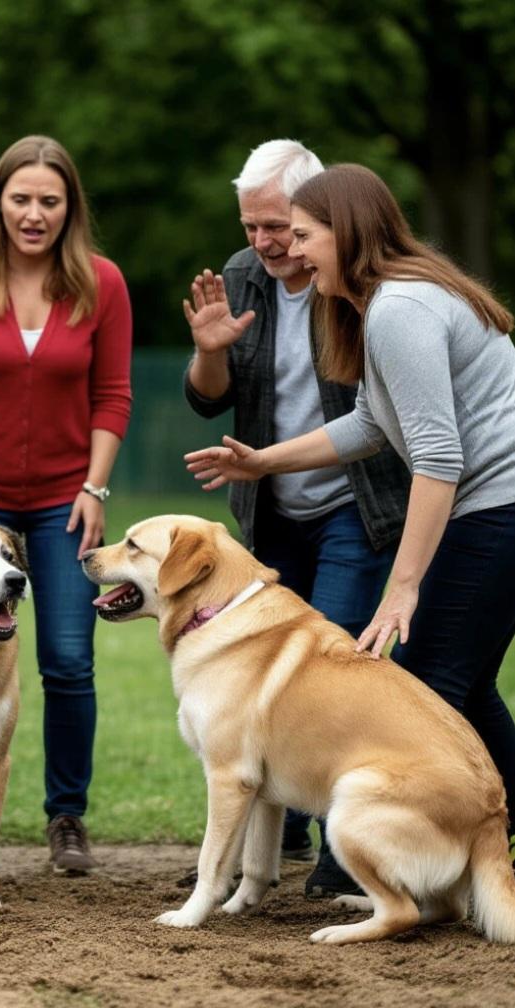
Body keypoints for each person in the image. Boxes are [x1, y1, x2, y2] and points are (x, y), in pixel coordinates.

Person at [185, 162, 515, 833]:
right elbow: (368, 424)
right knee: (464, 681)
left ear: (348, 232)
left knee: (424, 680)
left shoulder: (400, 309)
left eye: (303, 235)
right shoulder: (379, 305)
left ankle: (401, 854)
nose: (293, 251)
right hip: (490, 510)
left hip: (498, 510)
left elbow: (438, 459)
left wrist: (402, 588)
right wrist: (261, 462)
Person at [182, 141, 410, 899]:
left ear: (318, 217)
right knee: (260, 682)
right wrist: (208, 352)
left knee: (332, 667)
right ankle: (261, 847)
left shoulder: (351, 284)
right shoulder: (241, 276)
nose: (263, 242)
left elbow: (377, 419)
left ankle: (339, 854)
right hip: (269, 513)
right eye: (250, 226)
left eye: (278, 226)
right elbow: (208, 397)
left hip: (353, 505)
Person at [0, 135, 132, 874]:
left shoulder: (100, 283)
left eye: (49, 201)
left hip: (64, 505)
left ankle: (65, 816)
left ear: (69, 208)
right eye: (20, 199)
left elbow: (112, 395)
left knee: (67, 661)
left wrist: (94, 487)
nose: (33, 214)